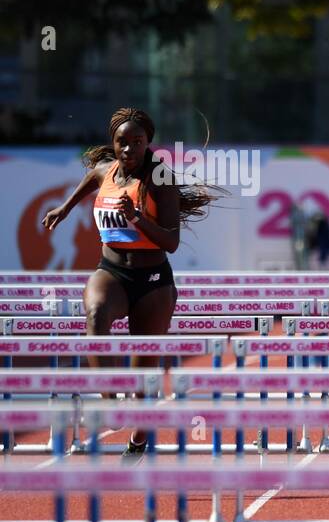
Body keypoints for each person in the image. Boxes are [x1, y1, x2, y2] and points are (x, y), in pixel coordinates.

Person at [41, 107, 222, 458]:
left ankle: (138, 439)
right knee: (95, 313)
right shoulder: (104, 171)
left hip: (153, 281)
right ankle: (110, 398)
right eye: (122, 142)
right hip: (111, 271)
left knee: (144, 378)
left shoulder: (160, 180)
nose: (128, 149)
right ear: (113, 142)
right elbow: (89, 183)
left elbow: (170, 241)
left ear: (147, 143)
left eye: (136, 142)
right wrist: (63, 210)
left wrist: (136, 217)